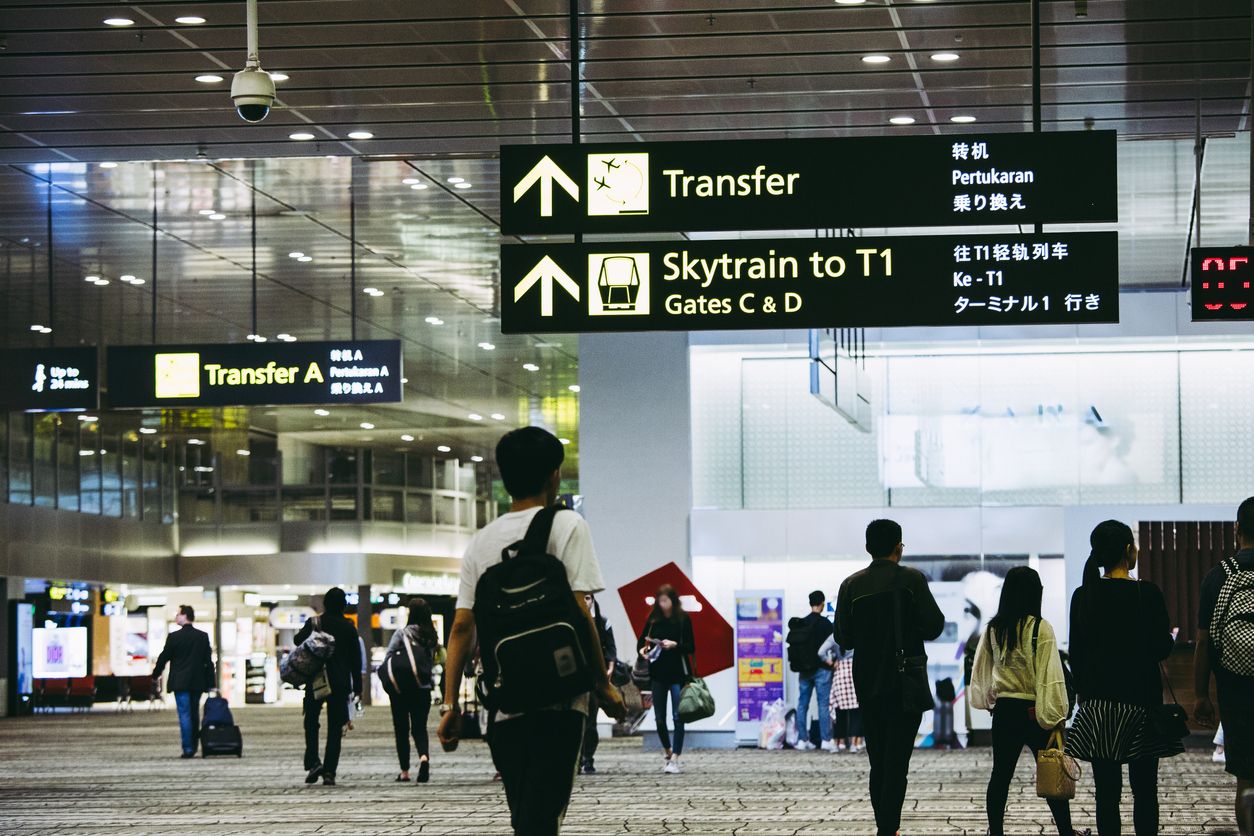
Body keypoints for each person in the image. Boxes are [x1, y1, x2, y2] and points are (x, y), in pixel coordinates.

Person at [437, 427, 626, 836]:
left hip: (505, 703)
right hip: (560, 702)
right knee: (542, 817)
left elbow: (461, 627)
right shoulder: (568, 525)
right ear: (554, 475)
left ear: (505, 479)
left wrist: (449, 704)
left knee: (525, 809)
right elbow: (580, 611)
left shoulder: (481, 542)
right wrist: (602, 685)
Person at [1067, 520, 1181, 835]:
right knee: (1145, 790)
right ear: (1128, 550)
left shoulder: (1084, 595)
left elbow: (1077, 654)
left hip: (1100, 707)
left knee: (1107, 794)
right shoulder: (1148, 593)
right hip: (1142, 704)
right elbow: (1160, 649)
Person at [833, 519, 945, 836]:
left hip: (867, 683)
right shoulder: (911, 580)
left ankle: (886, 827)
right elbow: (934, 626)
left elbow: (843, 636)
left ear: (869, 548)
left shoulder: (851, 585)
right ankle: (888, 829)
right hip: (903, 684)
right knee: (897, 762)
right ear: (899, 547)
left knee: (878, 762)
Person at [970, 567, 1083, 836]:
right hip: (1035, 710)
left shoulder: (994, 629)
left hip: (1005, 710)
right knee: (1052, 769)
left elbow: (983, 670)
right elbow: (1050, 675)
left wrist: (990, 701)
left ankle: (995, 831)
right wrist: (1055, 714)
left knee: (1000, 775)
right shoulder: (1041, 628)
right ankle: (1066, 832)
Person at [1194, 497, 1254, 835]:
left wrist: (1201, 694)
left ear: (1237, 529)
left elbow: (1204, 641)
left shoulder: (1219, 576)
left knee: (1247, 772)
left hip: (1236, 687)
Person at [294, 586, 363, 787]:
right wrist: (358, 688)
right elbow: (355, 661)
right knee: (335, 727)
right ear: (344, 605)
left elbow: (297, 640)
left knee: (311, 721)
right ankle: (330, 771)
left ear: (324, 603)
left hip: (315, 679)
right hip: (340, 683)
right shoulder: (349, 628)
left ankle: (313, 761)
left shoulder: (314, 623)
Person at [638, 583, 697, 774]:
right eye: (660, 601)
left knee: (678, 717)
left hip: (677, 674)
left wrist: (674, 645)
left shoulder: (683, 619)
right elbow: (641, 643)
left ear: (673, 600)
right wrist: (644, 651)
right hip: (657, 674)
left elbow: (691, 647)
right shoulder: (653, 620)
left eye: (666, 600)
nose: (663, 604)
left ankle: (675, 757)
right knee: (659, 718)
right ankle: (667, 751)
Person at [388, 597, 444, 784]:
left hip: (401, 689)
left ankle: (404, 771)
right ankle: (424, 758)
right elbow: (438, 660)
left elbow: (389, 657)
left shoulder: (401, 634)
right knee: (419, 728)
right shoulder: (431, 637)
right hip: (423, 688)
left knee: (401, 728)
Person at [151, 604, 214, 759]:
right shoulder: (202, 636)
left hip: (180, 682)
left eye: (178, 614)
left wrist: (155, 674)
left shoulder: (174, 637)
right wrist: (211, 683)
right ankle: (194, 745)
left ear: (185, 615)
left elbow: (164, 657)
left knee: (184, 715)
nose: (176, 617)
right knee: (194, 714)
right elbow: (208, 662)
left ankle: (188, 749)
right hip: (198, 682)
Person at [790, 590, 836, 751]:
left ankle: (802, 740)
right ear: (822, 604)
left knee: (802, 704)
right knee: (823, 704)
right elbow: (834, 645)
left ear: (810, 603)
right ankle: (825, 740)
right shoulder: (826, 624)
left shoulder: (802, 623)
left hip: (804, 671)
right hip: (822, 670)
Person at [580, 593, 618, 775]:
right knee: (575, 720)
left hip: (594, 678)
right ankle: (577, 758)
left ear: (593, 600)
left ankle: (588, 757)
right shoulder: (572, 622)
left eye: (588, 598)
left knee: (591, 721)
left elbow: (611, 647)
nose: (585, 602)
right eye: (582, 598)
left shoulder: (602, 622)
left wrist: (609, 667)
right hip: (575, 678)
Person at [823, 634, 863, 753]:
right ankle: (854, 743)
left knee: (838, 710)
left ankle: (837, 743)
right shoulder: (857, 634)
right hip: (854, 672)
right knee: (856, 711)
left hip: (840, 673)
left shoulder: (833, 636)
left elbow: (821, 652)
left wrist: (830, 662)